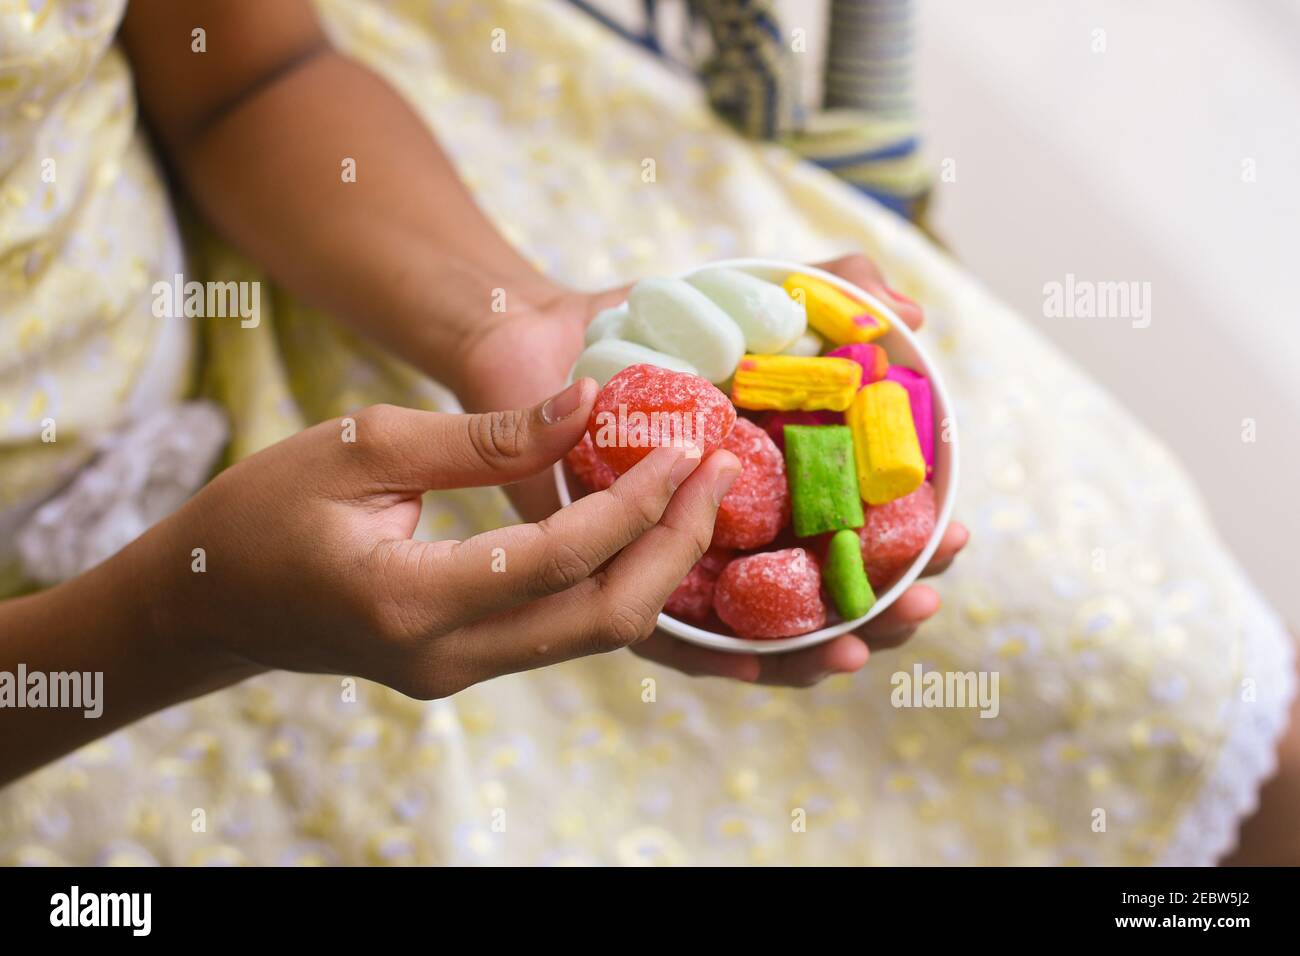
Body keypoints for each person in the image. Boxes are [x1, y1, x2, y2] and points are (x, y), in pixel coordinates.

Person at [0, 0, 1292, 865]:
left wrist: (508, 322)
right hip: (81, 685)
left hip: (314, 273)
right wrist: (180, 621)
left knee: (1154, 674)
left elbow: (246, 69)